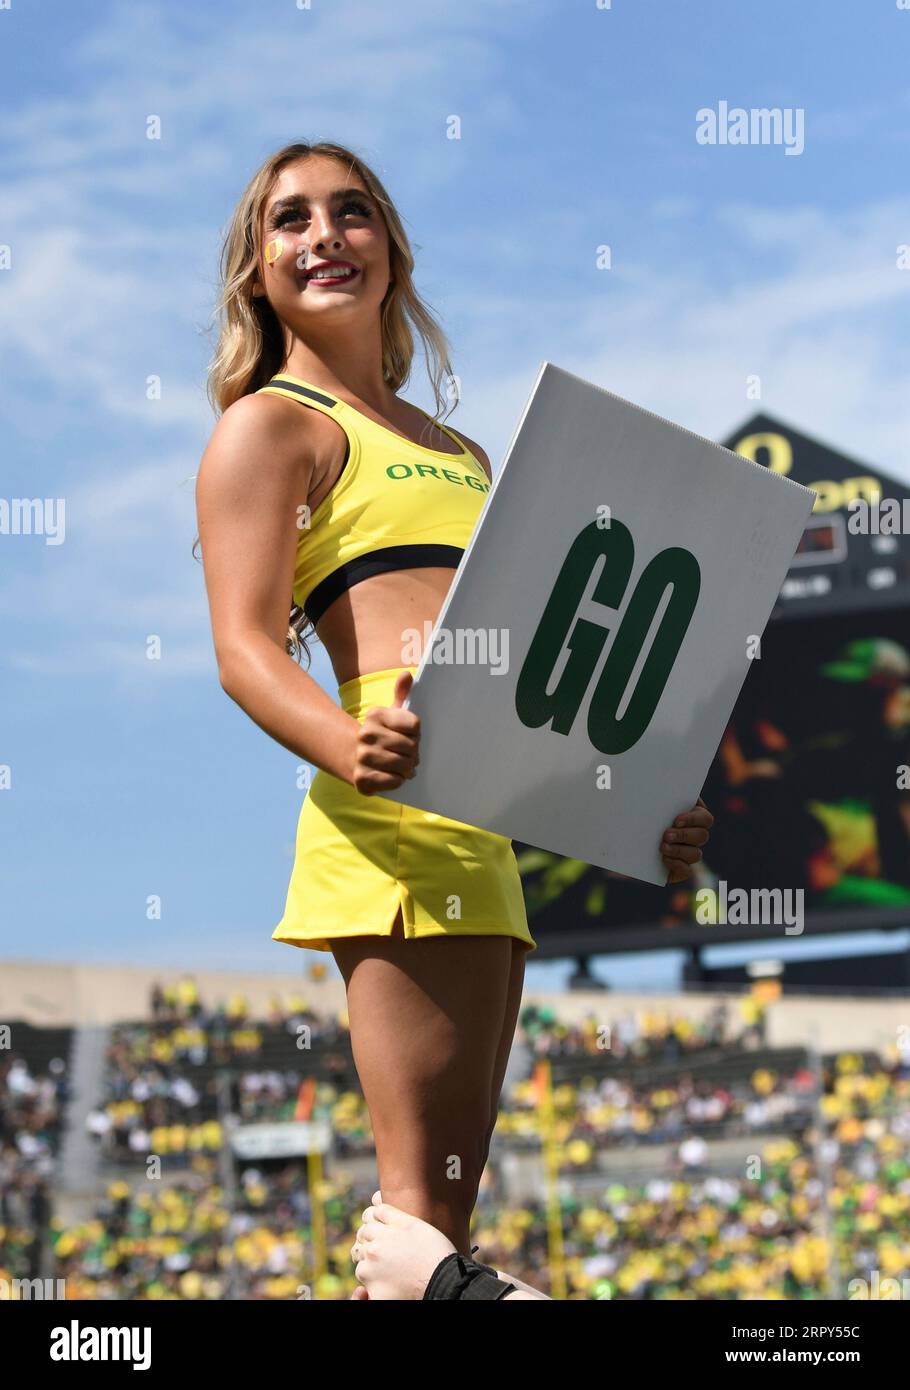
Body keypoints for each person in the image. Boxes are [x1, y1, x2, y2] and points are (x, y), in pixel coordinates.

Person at [194, 139, 714, 1272]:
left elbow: (540, 679)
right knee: (414, 1228)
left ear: (393, 248)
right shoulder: (268, 426)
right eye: (290, 220)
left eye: (353, 211)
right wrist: (345, 739)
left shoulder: (464, 450)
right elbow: (240, 646)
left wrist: (642, 811)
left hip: (483, 810)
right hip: (386, 806)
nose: (325, 235)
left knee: (442, 1226)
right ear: (256, 268)